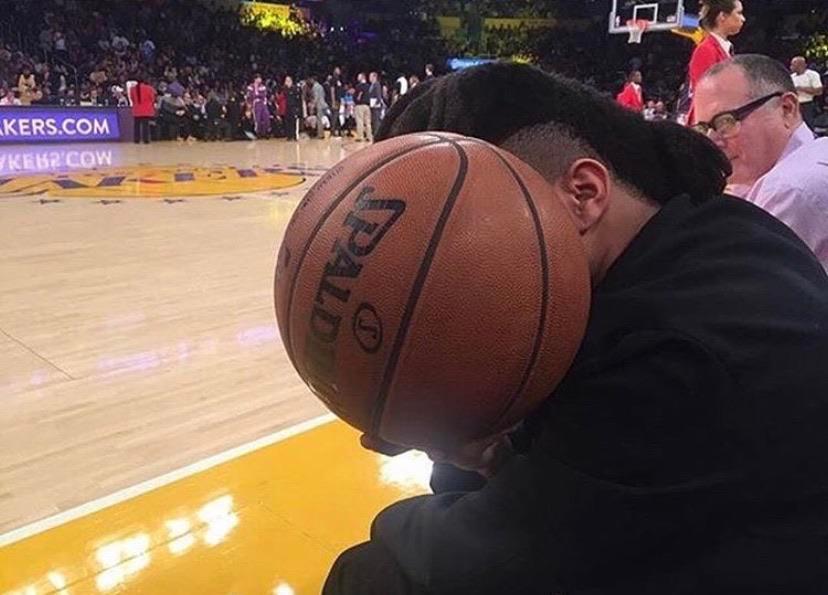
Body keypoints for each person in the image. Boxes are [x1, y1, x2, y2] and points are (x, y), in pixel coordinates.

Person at [324, 62, 828, 594]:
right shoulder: (705, 230)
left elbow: (473, 562)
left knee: (367, 577)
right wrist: (482, 444)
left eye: (464, 237)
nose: (456, 271)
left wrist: (449, 432)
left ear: (584, 192)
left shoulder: (676, 356)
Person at [694, 54, 828, 270]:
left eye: (726, 121)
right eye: (703, 129)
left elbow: (734, 285)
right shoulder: (812, 155)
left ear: (787, 108)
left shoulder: (788, 189)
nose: (712, 141)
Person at [687, 0, 745, 122]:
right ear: (722, 16)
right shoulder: (706, 49)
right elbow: (705, 95)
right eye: (739, 13)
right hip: (709, 125)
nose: (743, 19)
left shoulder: (725, 48)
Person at [790, 56, 824, 129]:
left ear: (800, 65)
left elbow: (819, 91)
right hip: (794, 104)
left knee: (808, 126)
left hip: (807, 104)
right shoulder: (791, 77)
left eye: (793, 64)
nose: (791, 67)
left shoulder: (812, 75)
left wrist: (801, 88)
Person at [129, 76, 156, 144]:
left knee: (136, 126)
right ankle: (146, 140)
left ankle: (136, 140)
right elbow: (152, 99)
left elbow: (132, 99)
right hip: (146, 110)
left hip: (136, 110)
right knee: (145, 126)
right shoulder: (149, 88)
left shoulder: (132, 89)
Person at [246, 74, 270, 139]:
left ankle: (265, 132)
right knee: (257, 118)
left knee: (266, 116)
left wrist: (257, 95)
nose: (260, 80)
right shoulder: (250, 87)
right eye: (258, 78)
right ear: (255, 79)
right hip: (255, 104)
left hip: (262, 104)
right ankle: (258, 133)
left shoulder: (263, 87)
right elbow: (250, 96)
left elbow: (263, 95)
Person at [354, 72, 372, 142]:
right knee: (368, 122)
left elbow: (358, 95)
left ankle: (360, 137)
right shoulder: (369, 86)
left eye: (358, 76)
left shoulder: (359, 86)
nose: (357, 78)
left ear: (362, 77)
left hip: (360, 105)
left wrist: (357, 99)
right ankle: (369, 136)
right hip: (367, 105)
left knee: (360, 121)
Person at [284, 76, 302, 141]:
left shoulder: (295, 88)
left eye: (288, 81)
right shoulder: (285, 89)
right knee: (288, 122)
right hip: (287, 108)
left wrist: (298, 109)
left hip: (294, 107)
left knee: (294, 122)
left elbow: (298, 99)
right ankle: (289, 136)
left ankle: (295, 136)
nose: (287, 82)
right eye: (286, 81)